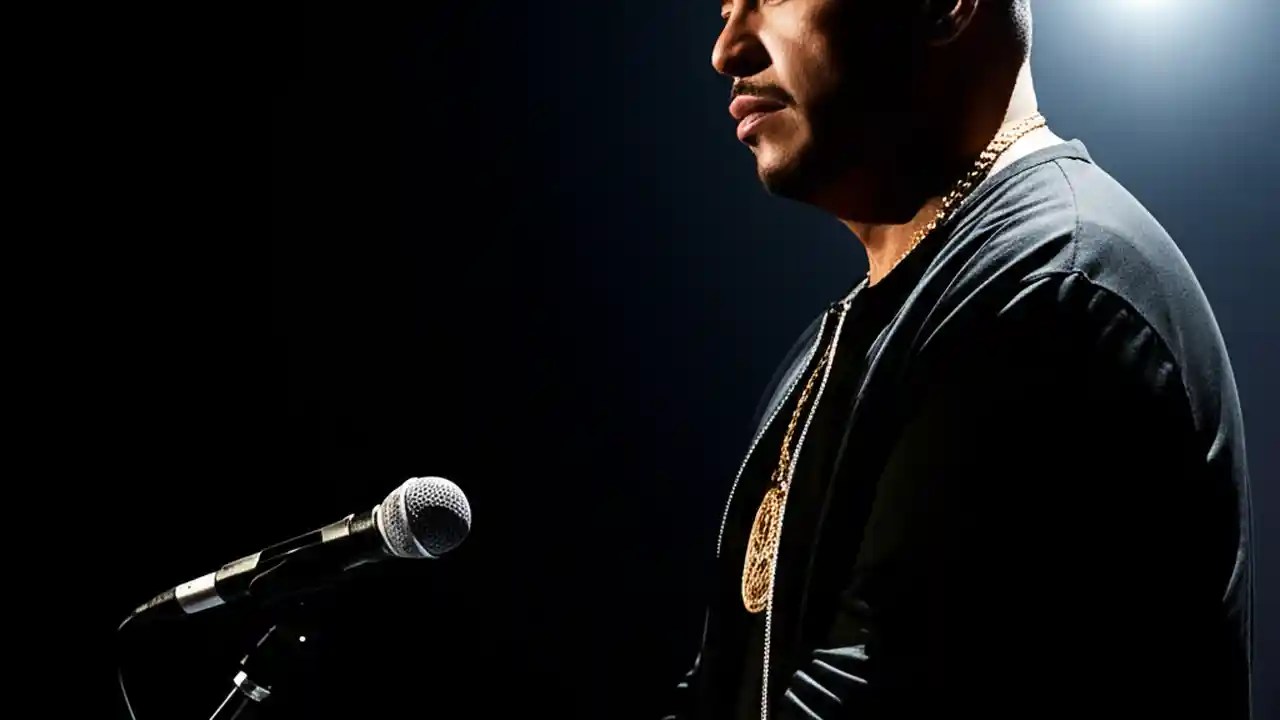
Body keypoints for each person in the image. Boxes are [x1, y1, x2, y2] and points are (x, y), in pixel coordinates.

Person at [662, 1, 1254, 718]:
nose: (727, 50)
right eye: (727, 7)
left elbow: (880, 693)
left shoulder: (1056, 295)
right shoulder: (842, 342)